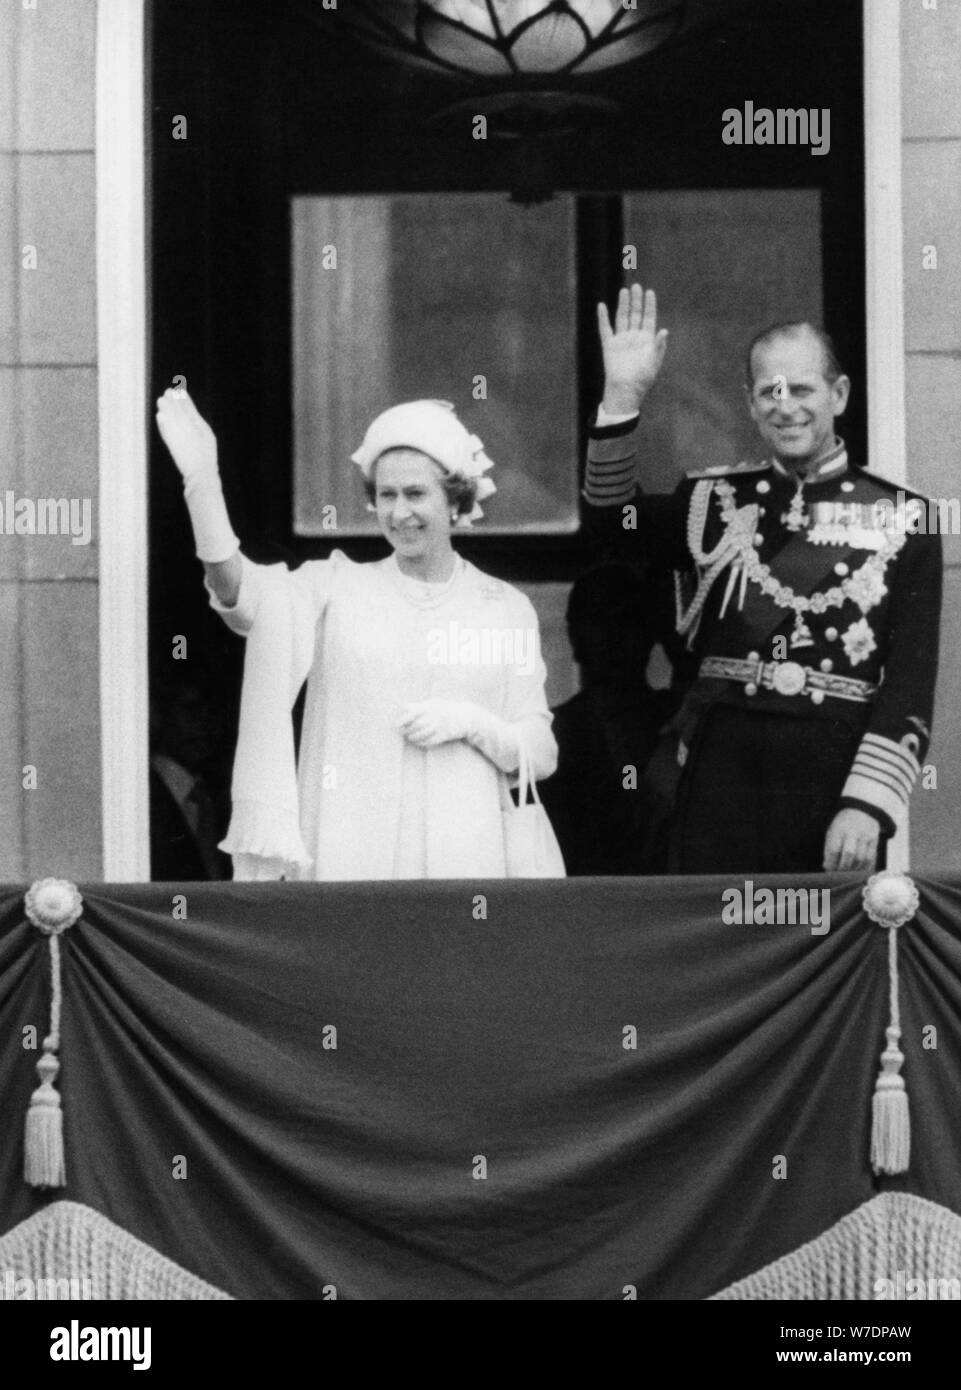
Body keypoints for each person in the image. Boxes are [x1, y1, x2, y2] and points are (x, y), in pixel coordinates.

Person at [581, 284, 942, 874]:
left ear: (839, 394)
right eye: (768, 392)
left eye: (802, 389)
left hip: (832, 782)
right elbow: (608, 524)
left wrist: (866, 805)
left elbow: (908, 686)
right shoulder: (711, 500)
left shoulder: (903, 518)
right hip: (719, 776)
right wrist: (622, 395)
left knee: (819, 953)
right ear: (750, 404)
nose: (785, 405)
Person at [155, 389, 558, 880]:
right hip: (350, 857)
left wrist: (474, 723)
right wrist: (202, 485)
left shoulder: (504, 608)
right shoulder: (335, 588)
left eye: (415, 494)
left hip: (469, 860)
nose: (398, 512)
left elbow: (540, 753)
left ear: (455, 498)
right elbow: (238, 592)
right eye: (385, 495)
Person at [538, 564, 687, 874]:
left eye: (626, 620)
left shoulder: (682, 722)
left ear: (649, 633)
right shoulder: (550, 735)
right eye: (597, 620)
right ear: (574, 632)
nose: (612, 635)